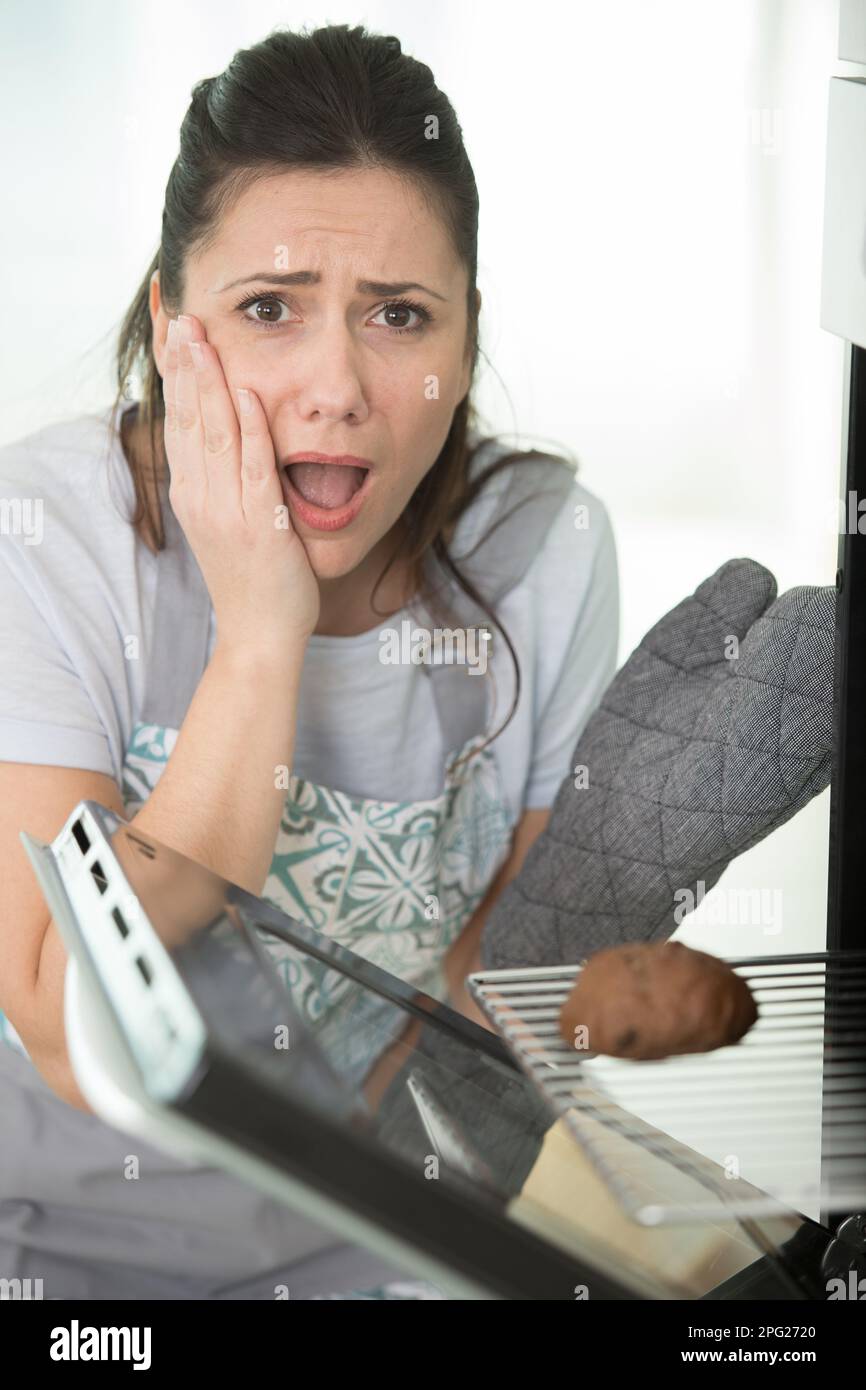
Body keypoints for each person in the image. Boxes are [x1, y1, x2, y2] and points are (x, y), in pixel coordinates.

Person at [0, 22, 618, 1298]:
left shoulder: (541, 546)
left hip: (388, 1233)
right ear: (173, 320)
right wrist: (260, 632)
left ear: (465, 335)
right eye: (268, 309)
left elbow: (498, 992)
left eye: (399, 315)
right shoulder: (47, 533)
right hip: (58, 1250)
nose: (335, 385)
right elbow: (71, 1023)